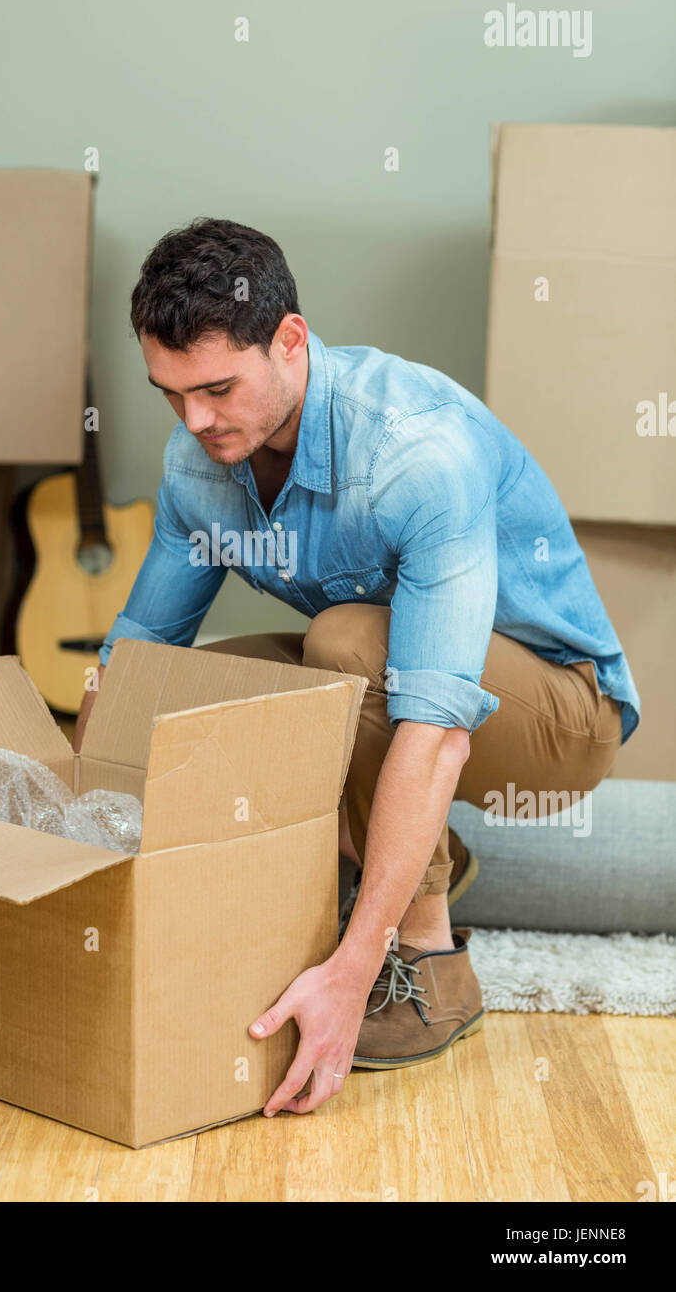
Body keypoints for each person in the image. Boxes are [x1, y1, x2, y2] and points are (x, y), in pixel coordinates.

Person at [74, 217, 639, 1121]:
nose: (195, 423)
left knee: (342, 645)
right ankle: (415, 860)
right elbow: (140, 656)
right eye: (171, 394)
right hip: (403, 683)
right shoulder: (200, 463)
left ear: (290, 340)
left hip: (562, 713)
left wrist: (352, 965)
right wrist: (64, 812)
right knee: (209, 695)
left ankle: (429, 968)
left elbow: (434, 727)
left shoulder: (417, 454)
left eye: (217, 388)